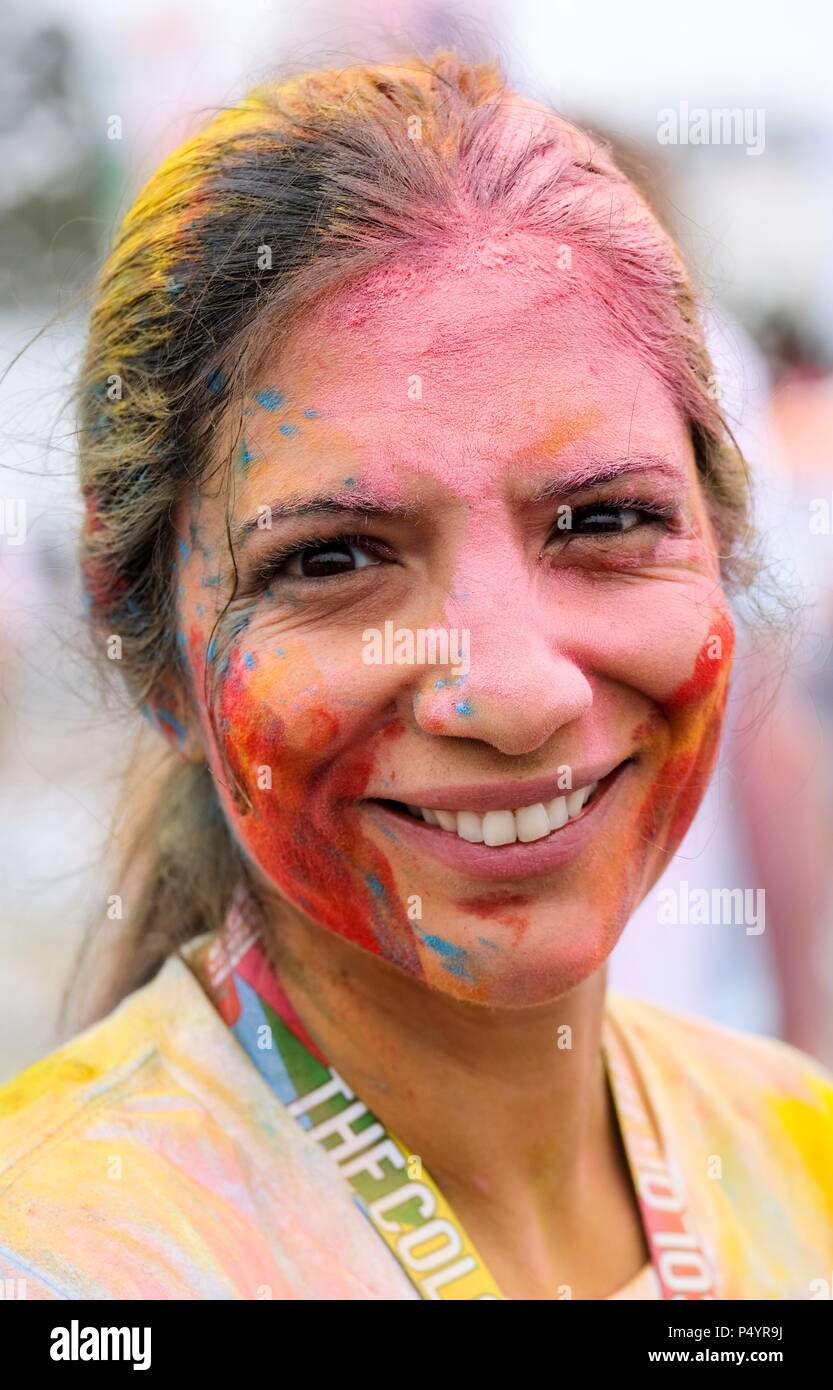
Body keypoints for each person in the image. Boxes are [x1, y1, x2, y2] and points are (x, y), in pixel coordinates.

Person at [1, 50, 831, 1302]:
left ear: (721, 543)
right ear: (157, 655)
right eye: (330, 557)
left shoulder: (796, 1156)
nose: (512, 691)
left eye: (601, 520)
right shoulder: (66, 1264)